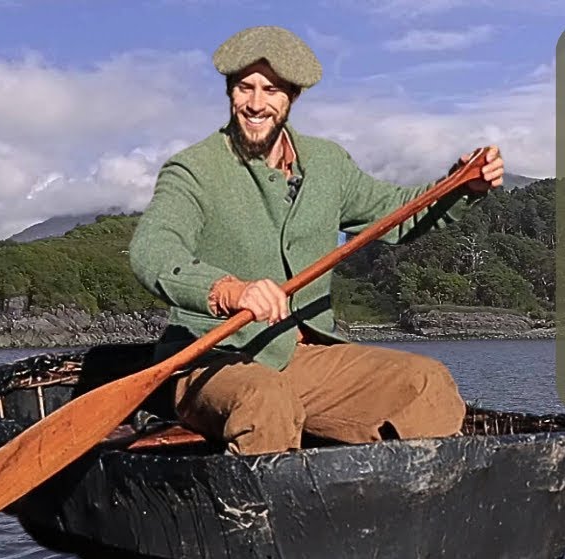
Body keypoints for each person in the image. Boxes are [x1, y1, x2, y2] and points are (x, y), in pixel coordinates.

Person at [129, 25, 505, 456]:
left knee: (426, 382)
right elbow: (153, 250)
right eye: (245, 88)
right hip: (211, 362)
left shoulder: (328, 164)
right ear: (230, 92)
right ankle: (260, 520)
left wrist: (461, 186)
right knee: (265, 401)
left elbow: (399, 216)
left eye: (271, 90)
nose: (255, 103)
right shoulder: (193, 170)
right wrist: (230, 291)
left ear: (292, 97)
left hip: (306, 359)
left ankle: (399, 505)